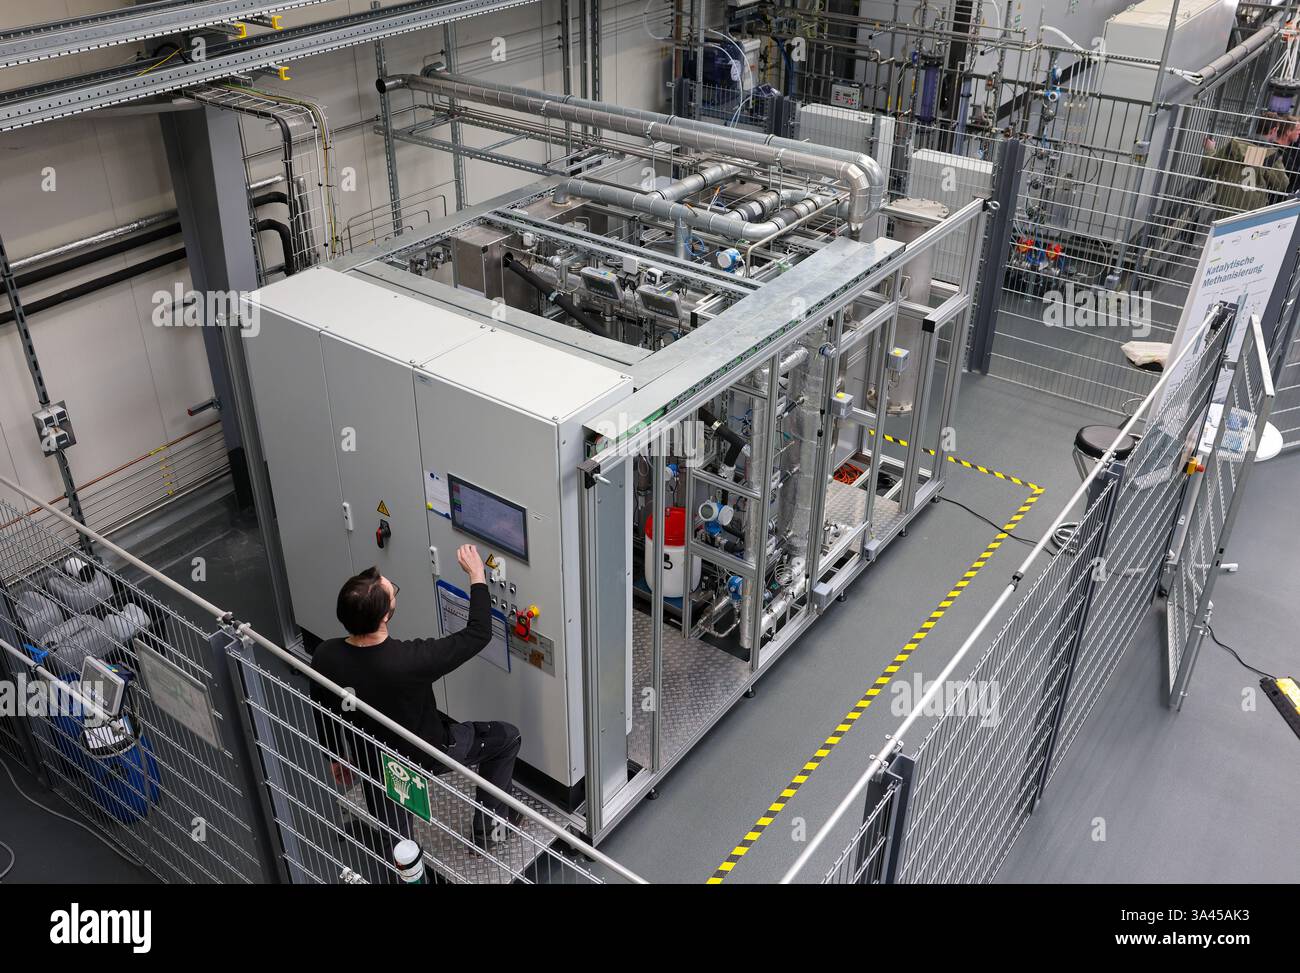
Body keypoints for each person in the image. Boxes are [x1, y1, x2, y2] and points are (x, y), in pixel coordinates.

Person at [311, 544, 523, 851]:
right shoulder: (410, 661)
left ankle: (401, 859)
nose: (393, 592)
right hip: (427, 752)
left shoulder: (326, 655)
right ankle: (490, 832)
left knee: (396, 838)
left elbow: (323, 707)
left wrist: (333, 756)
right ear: (385, 616)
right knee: (507, 739)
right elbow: (478, 634)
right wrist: (478, 575)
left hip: (372, 759)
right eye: (392, 591)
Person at [1200, 113, 1298, 221]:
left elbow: (1209, 167)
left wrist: (1210, 150)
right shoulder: (1270, 155)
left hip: (1225, 204)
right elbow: (1282, 185)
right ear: (1273, 130)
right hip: (1251, 212)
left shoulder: (1233, 145)